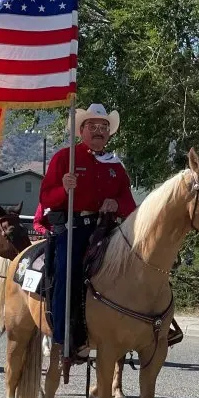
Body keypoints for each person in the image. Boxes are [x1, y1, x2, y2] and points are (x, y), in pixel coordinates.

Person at [38, 103, 136, 359]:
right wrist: (63, 189)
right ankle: (65, 337)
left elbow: (129, 203)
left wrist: (116, 204)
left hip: (107, 228)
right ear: (81, 130)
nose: (98, 131)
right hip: (74, 227)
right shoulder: (65, 158)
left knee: (138, 263)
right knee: (67, 271)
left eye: (103, 127)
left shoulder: (116, 165)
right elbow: (46, 198)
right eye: (92, 126)